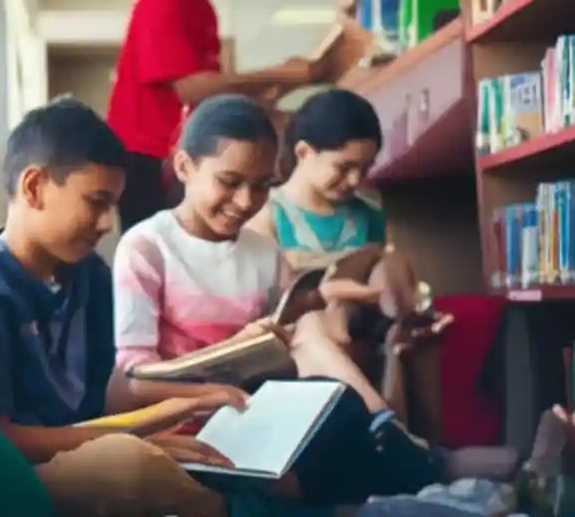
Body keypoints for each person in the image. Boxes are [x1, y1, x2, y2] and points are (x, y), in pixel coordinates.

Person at [110, 94, 443, 504]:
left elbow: (298, 345)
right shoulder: (147, 247)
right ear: (184, 167)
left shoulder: (263, 252)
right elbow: (133, 381)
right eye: (229, 182)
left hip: (254, 423)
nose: (246, 202)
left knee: (340, 405)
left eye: (262, 186)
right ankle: (430, 485)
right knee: (356, 472)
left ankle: (415, 475)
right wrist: (235, 355)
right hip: (180, 434)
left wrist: (380, 416)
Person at [0, 97, 240, 517]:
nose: (105, 224)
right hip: (18, 472)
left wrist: (172, 416)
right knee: (129, 465)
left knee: (194, 456)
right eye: (95, 202)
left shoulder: (90, 276)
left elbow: (104, 396)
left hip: (90, 447)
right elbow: (0, 441)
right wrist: (148, 425)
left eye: (111, 206)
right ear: (33, 187)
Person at [106, 0, 326, 234]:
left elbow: (212, 95)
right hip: (146, 159)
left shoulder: (203, 9)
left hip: (182, 152)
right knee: (160, 261)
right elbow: (190, 87)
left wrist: (280, 89)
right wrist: (277, 73)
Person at [248, 88, 452, 418]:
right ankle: (382, 425)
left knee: (408, 317)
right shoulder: (269, 215)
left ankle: (423, 447)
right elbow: (264, 302)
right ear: (303, 152)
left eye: (365, 168)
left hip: (371, 324)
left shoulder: (368, 215)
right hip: (304, 335)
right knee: (320, 321)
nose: (355, 179)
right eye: (344, 166)